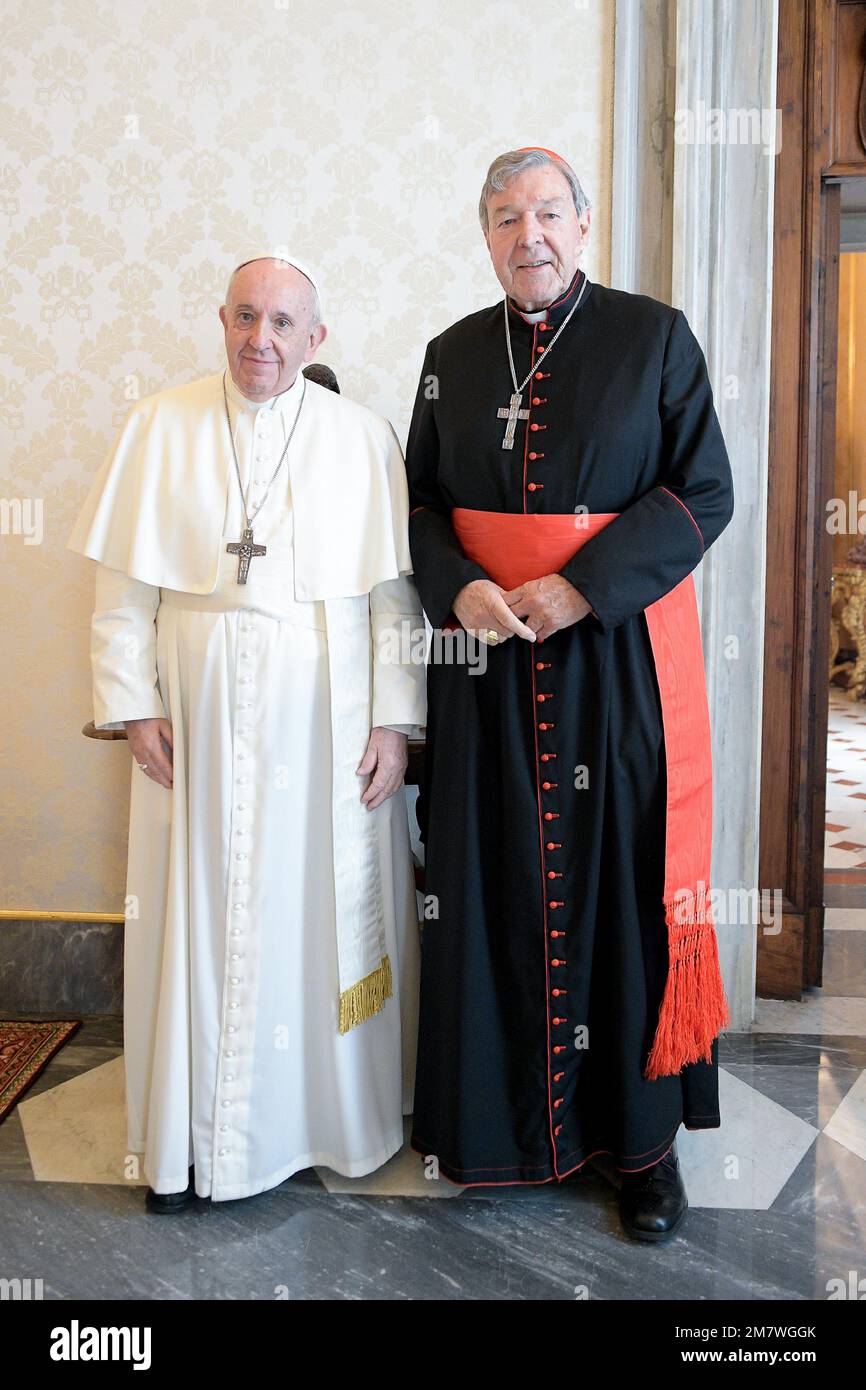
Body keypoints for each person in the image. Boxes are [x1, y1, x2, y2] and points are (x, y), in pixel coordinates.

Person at [404, 148, 735, 1240]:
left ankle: (642, 1153)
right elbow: (415, 506)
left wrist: (582, 587)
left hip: (614, 665)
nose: (528, 234)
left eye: (547, 212)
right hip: (486, 668)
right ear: (485, 236)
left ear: (582, 226)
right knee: (490, 884)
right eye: (505, 217)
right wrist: (458, 589)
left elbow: (704, 491)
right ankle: (494, 1132)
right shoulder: (451, 355)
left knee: (620, 891)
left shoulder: (653, 337)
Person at [67, 252, 426, 1209]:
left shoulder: (362, 437)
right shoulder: (159, 425)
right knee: (198, 912)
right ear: (221, 321)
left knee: (312, 915)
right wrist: (134, 703)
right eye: (244, 317)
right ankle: (191, 1141)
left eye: (281, 323)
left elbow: (394, 602)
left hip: (328, 725)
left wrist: (395, 723)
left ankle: (319, 1127)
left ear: (316, 338)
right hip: (195, 716)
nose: (259, 340)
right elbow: (121, 593)